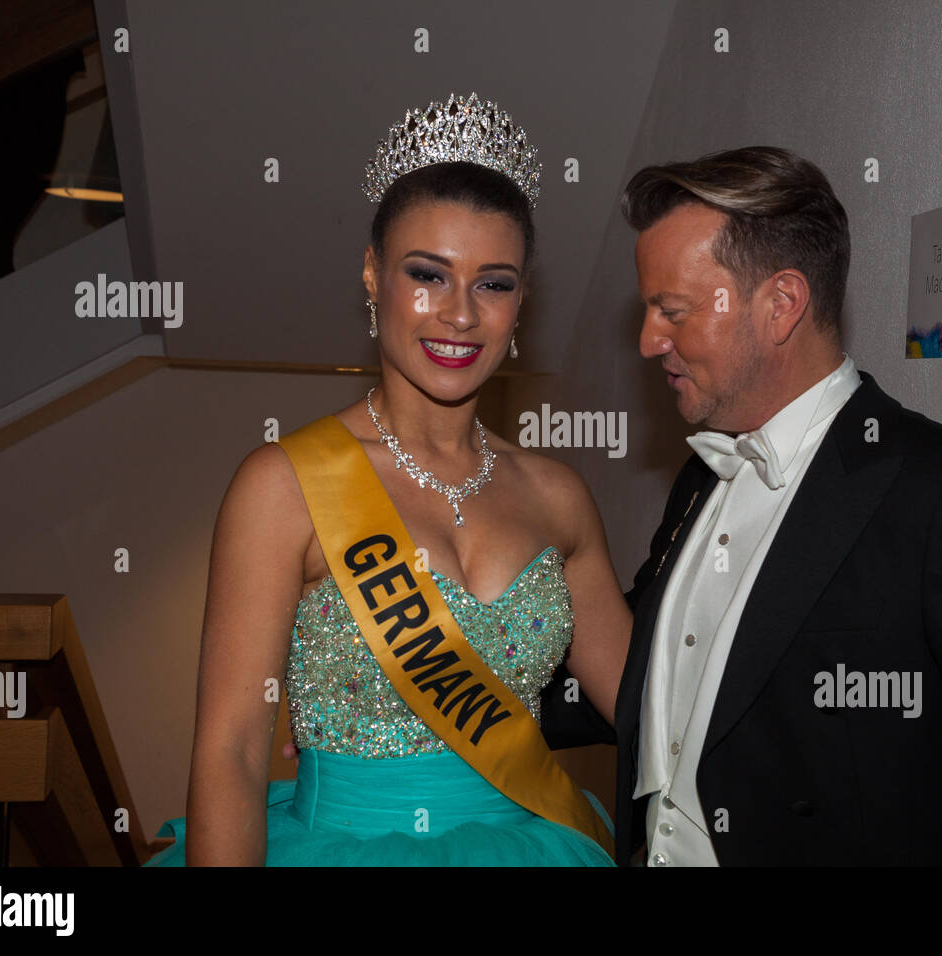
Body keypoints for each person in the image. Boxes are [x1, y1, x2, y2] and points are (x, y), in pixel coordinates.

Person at [595, 145, 942, 865]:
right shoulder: (701, 474)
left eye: (672, 311)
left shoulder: (941, 495)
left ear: (781, 305)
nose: (649, 341)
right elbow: (646, 670)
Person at [146, 93, 629, 867]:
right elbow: (232, 751)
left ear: (522, 302)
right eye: (428, 275)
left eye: (494, 283)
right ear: (373, 276)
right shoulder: (282, 486)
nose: (461, 314)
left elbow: (653, 711)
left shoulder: (557, 496)